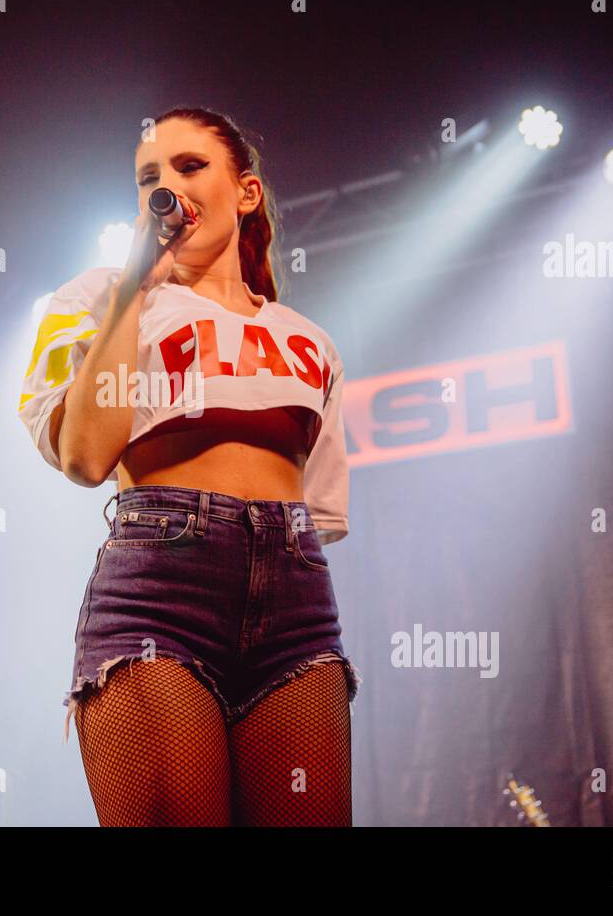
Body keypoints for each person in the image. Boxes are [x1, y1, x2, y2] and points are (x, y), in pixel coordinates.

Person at [18, 106, 362, 826]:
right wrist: (134, 289)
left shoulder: (309, 340)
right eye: (149, 176)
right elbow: (84, 456)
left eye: (189, 166)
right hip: (158, 591)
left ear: (246, 192)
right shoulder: (96, 298)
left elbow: (318, 513)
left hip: (295, 604)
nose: (164, 186)